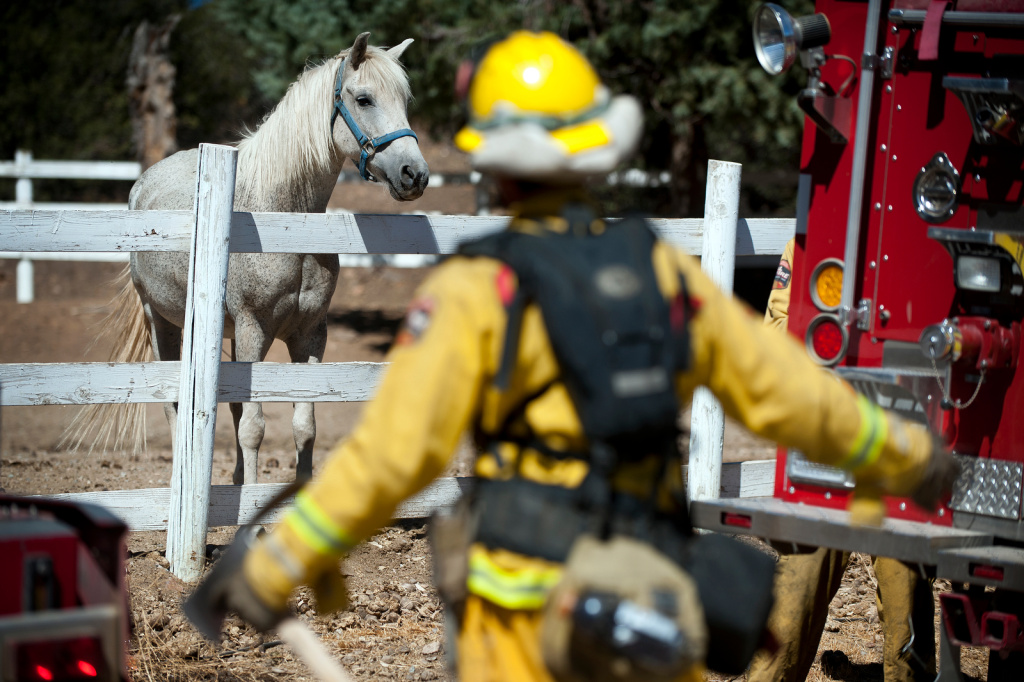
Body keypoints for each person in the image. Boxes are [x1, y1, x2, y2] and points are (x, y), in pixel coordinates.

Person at [193, 32, 956, 682]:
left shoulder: (475, 292)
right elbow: (784, 388)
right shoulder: (659, 273)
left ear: (496, 160)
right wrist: (902, 453)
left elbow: (389, 459)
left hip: (524, 630)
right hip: (647, 609)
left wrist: (270, 566)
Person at [750, 237, 937, 682]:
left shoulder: (926, 237)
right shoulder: (810, 241)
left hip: (900, 441)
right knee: (798, 587)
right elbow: (775, 330)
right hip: (825, 447)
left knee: (906, 591)